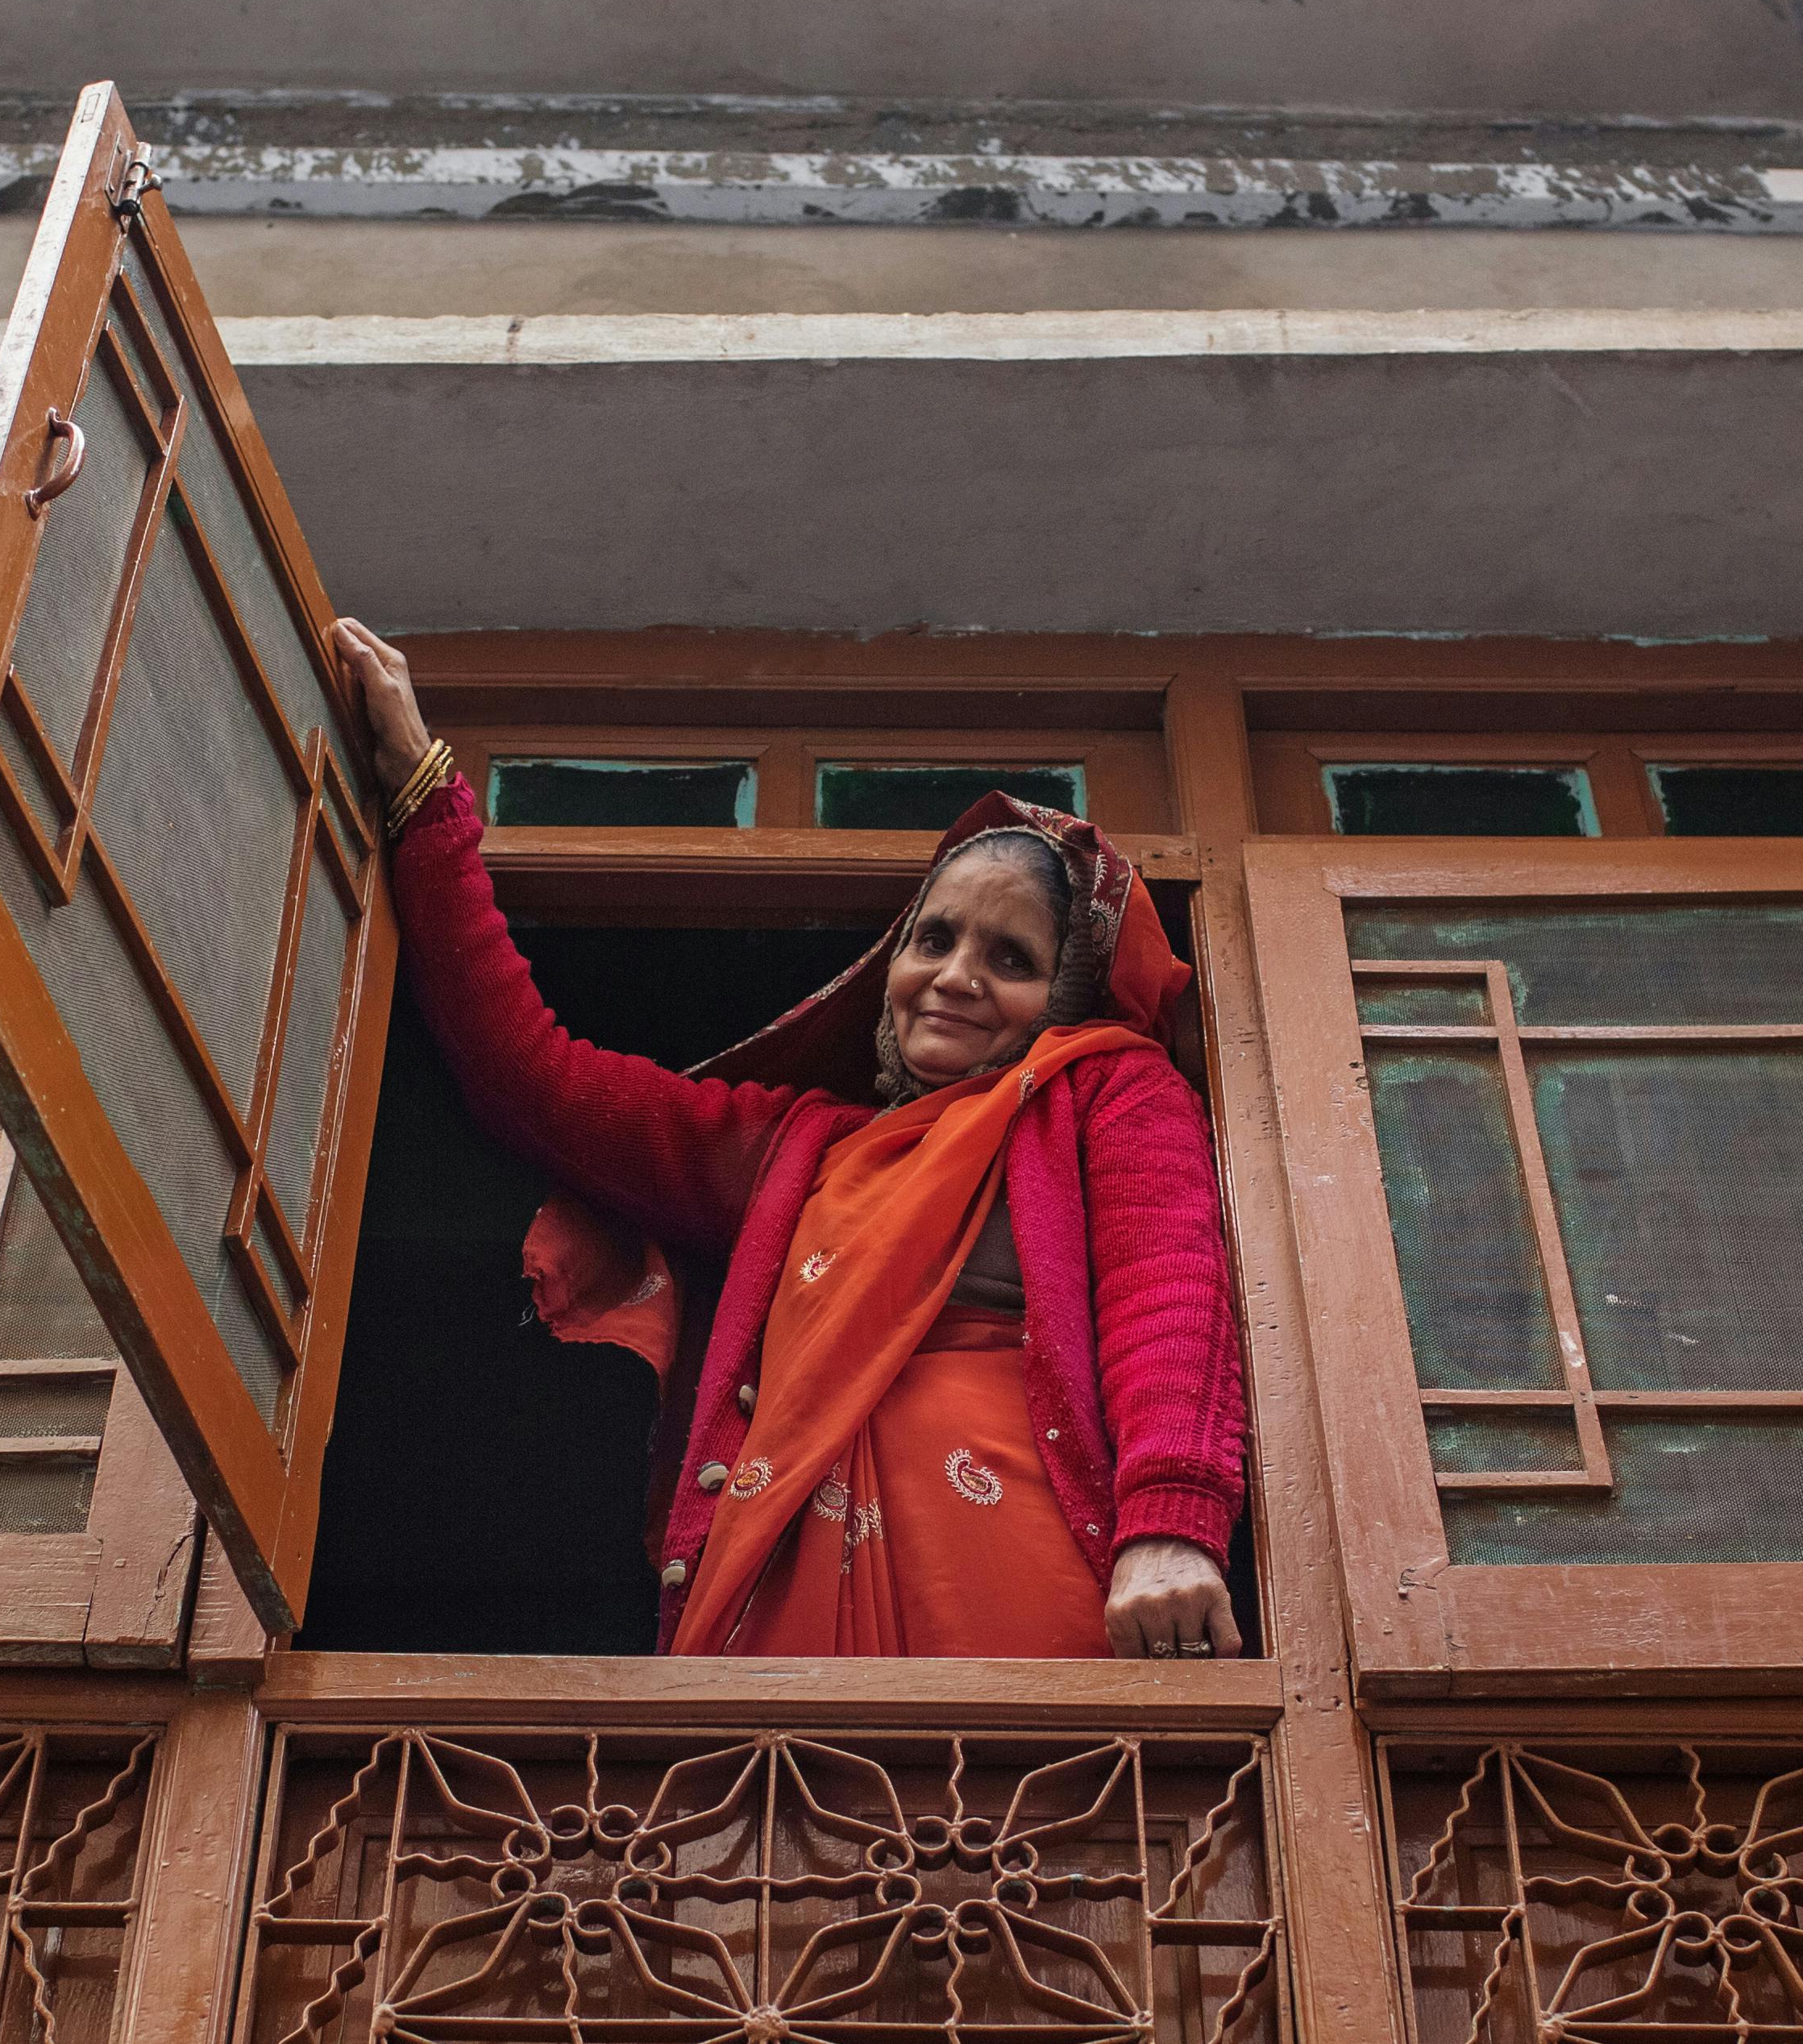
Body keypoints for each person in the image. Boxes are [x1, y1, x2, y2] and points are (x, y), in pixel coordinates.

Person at [334, 621, 1247, 1660]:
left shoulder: (1107, 1089)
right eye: (934, 939)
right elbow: (532, 1077)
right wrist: (425, 799)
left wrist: (1172, 1528)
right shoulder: (796, 1147)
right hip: (780, 1590)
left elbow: (1168, 1298)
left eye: (1011, 959)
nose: (954, 978)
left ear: (1065, 1000)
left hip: (1021, 1583)